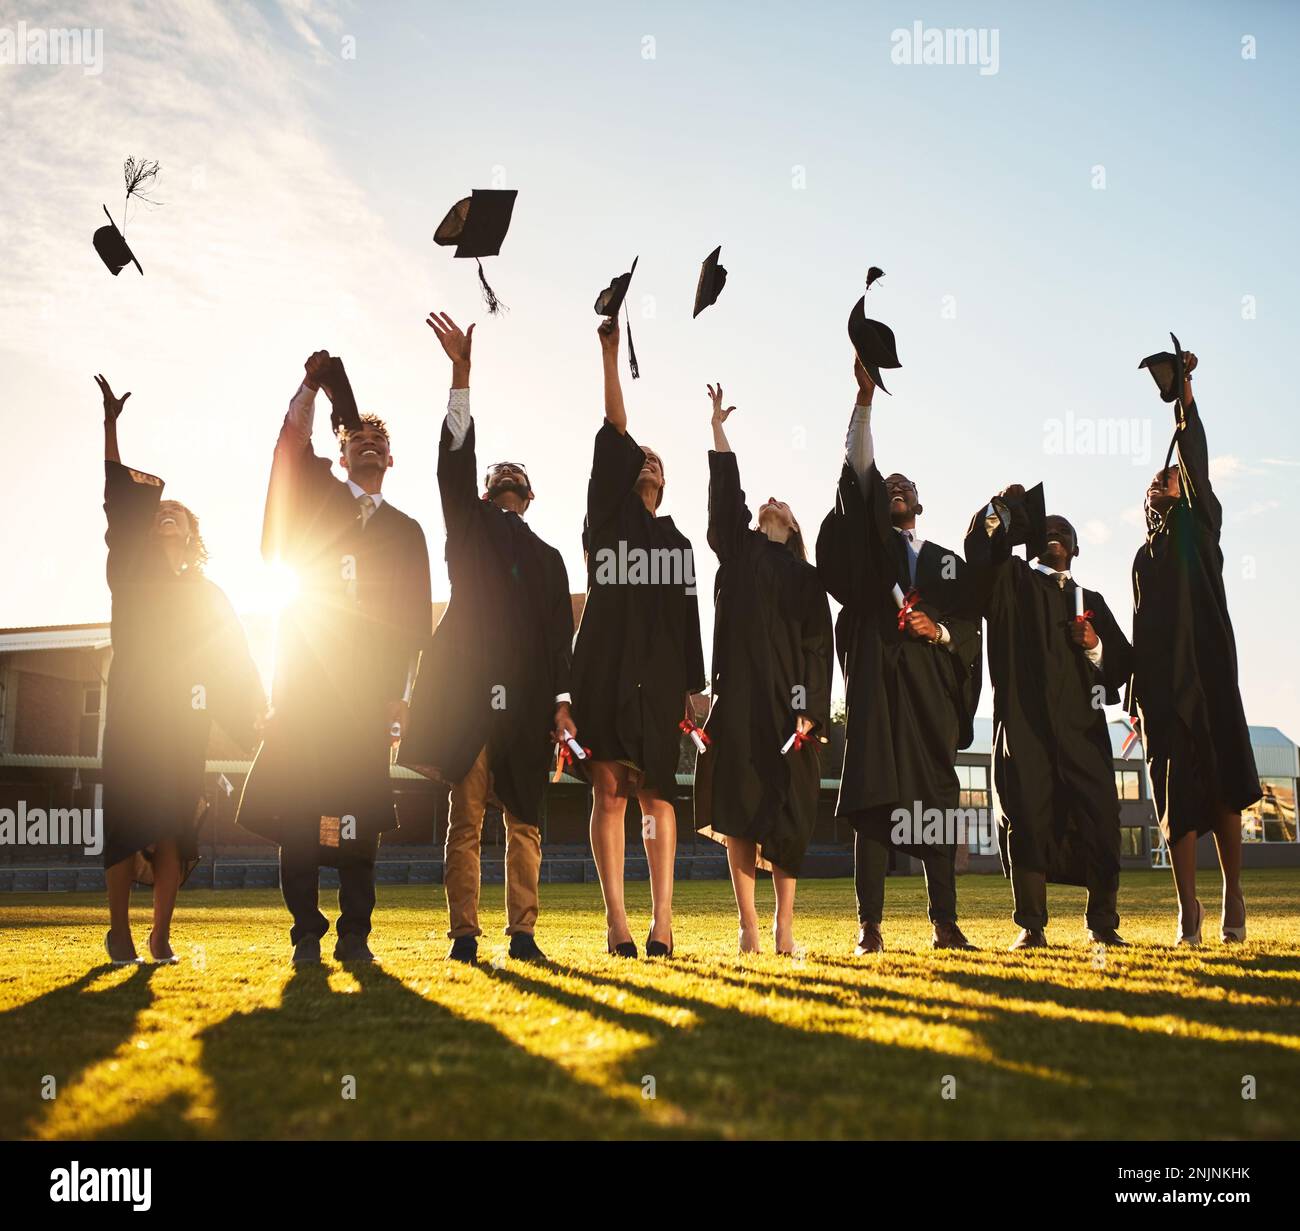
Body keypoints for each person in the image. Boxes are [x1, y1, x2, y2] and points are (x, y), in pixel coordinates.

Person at [237, 351, 432, 965]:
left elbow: (409, 631)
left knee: (358, 822)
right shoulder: (318, 498)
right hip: (306, 692)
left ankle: (355, 934)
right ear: (342, 453)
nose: (369, 446)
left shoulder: (407, 533)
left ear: (391, 458)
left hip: (365, 701)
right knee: (300, 817)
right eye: (358, 439)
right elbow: (290, 449)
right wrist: (311, 386)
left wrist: (400, 695)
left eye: (380, 440)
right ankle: (305, 934)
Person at [399, 311, 576, 965]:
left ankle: (523, 933)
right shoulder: (469, 527)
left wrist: (562, 705)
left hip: (528, 704)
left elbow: (562, 642)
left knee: (524, 820)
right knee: (466, 818)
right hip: (472, 694)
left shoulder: (550, 559)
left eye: (516, 480)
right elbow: (453, 463)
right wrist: (461, 375)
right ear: (485, 489)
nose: (506, 483)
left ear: (528, 497)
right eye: (497, 476)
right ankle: (464, 935)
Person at [96, 374, 264, 965]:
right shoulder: (131, 575)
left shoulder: (211, 593)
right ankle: (119, 931)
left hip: (183, 719)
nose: (167, 517)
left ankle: (160, 935)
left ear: (193, 534)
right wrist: (111, 428)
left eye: (178, 515)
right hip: (134, 711)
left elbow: (235, 656)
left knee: (171, 824)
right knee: (124, 819)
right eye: (160, 512)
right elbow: (118, 500)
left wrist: (256, 709)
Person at [816, 357, 982, 953]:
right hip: (879, 688)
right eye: (887, 488)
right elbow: (860, 469)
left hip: (930, 693)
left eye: (905, 487)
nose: (894, 489)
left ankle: (945, 922)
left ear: (920, 502)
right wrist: (864, 401)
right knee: (873, 797)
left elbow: (970, 626)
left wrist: (936, 631)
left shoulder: (945, 562)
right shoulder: (870, 551)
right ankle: (870, 927)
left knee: (934, 801)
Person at [570, 318, 706, 958]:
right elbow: (616, 431)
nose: (648, 462)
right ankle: (617, 924)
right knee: (608, 787)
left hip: (658, 683)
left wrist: (694, 688)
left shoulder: (678, 543)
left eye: (658, 461)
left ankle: (662, 924)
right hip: (603, 667)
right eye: (641, 459)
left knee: (655, 794)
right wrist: (607, 354)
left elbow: (688, 621)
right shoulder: (609, 519)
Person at [694, 382, 832, 955]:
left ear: (795, 526)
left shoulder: (807, 578)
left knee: (791, 816)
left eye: (783, 502)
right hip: (741, 700)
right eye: (765, 501)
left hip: (790, 708)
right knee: (739, 811)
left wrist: (808, 709)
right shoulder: (742, 552)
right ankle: (749, 927)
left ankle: (785, 929)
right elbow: (726, 502)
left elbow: (816, 647)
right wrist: (719, 432)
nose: (770, 501)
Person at [964, 489, 1134, 949]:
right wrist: (1000, 508)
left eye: (1064, 532)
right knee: (1028, 819)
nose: (1055, 535)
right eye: (1047, 530)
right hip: (1025, 727)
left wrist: (1095, 643)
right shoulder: (1011, 582)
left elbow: (1123, 665)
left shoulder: (1092, 599)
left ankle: (1103, 924)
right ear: (1032, 541)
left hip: (1084, 732)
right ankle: (1032, 926)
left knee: (1100, 818)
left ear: (1076, 548)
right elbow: (983, 550)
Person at [1130, 347, 1260, 945]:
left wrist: (1182, 395)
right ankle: (1190, 908)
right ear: (1149, 501)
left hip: (1208, 667)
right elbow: (1138, 627)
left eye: (1171, 475)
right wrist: (1135, 698)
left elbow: (1194, 452)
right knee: (1174, 793)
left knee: (1223, 777)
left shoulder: (1203, 523)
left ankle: (1233, 889)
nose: (1165, 478)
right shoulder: (1144, 557)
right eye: (1157, 480)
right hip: (1163, 683)